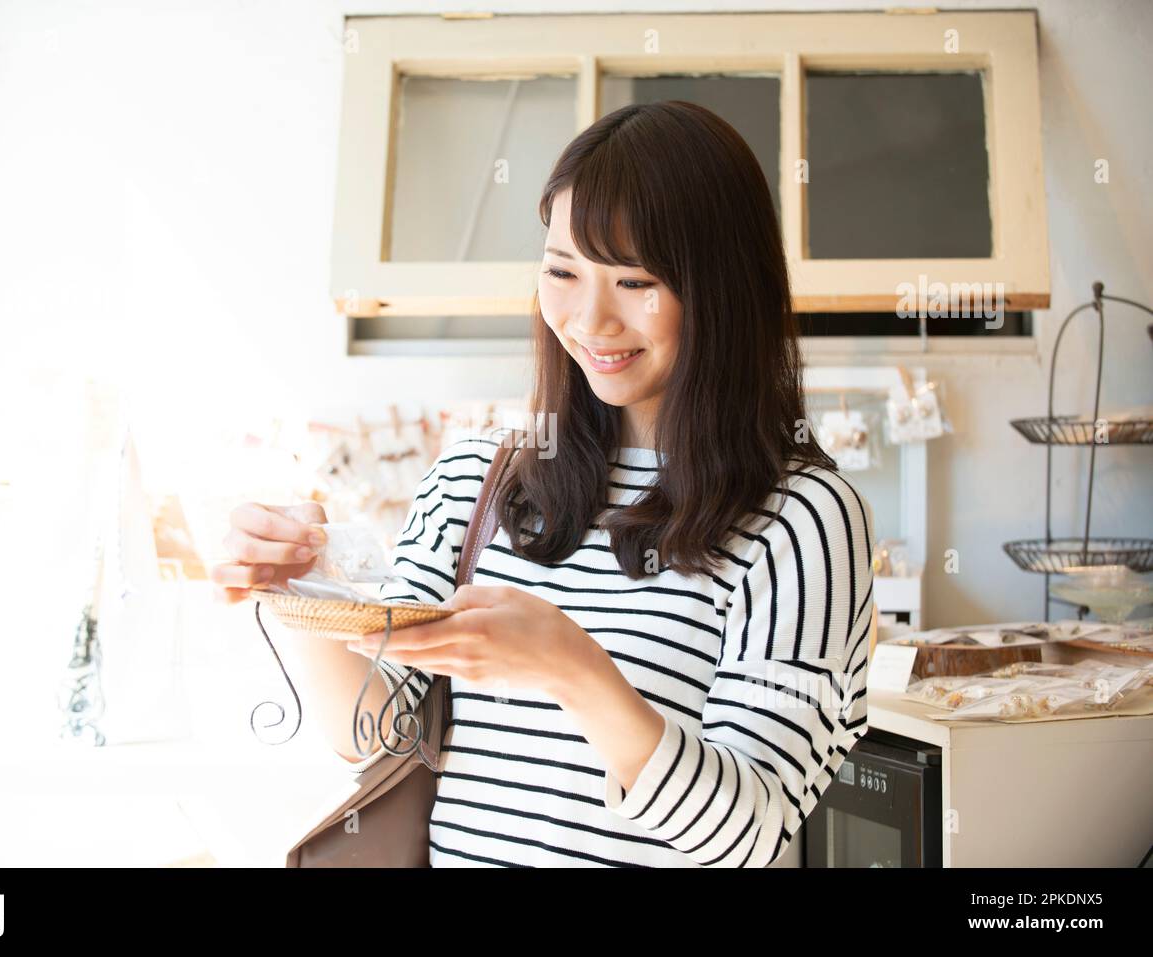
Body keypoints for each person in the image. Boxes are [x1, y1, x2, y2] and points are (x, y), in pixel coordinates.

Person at [213, 100, 874, 867]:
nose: (590, 319)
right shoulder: (476, 482)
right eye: (562, 271)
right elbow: (373, 730)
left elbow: (748, 834)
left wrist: (572, 666)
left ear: (723, 288)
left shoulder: (803, 520)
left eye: (634, 280)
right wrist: (301, 591)